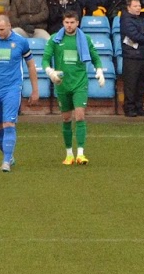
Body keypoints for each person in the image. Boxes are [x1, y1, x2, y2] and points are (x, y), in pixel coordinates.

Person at [0, 14, 41, 172]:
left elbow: (31, 65)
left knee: (9, 123)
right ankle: (9, 156)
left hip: (12, 88)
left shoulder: (20, 42)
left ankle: (5, 162)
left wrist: (35, 90)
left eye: (2, 29)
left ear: (9, 26)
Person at [43, 10, 107, 165]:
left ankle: (81, 153)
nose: (69, 26)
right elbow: (45, 59)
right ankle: (69, 153)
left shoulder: (85, 39)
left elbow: (95, 57)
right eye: (66, 23)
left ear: (77, 23)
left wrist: (99, 70)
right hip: (62, 84)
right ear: (63, 23)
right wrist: (50, 72)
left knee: (79, 115)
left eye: (72, 23)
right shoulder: (55, 40)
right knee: (66, 118)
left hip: (79, 83)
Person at [119, 0, 144, 117]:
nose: (138, 8)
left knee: (141, 83)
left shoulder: (140, 19)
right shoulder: (126, 20)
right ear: (129, 7)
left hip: (142, 55)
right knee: (131, 84)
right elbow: (134, 35)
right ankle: (129, 108)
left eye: (139, 6)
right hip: (131, 56)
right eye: (135, 6)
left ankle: (139, 107)